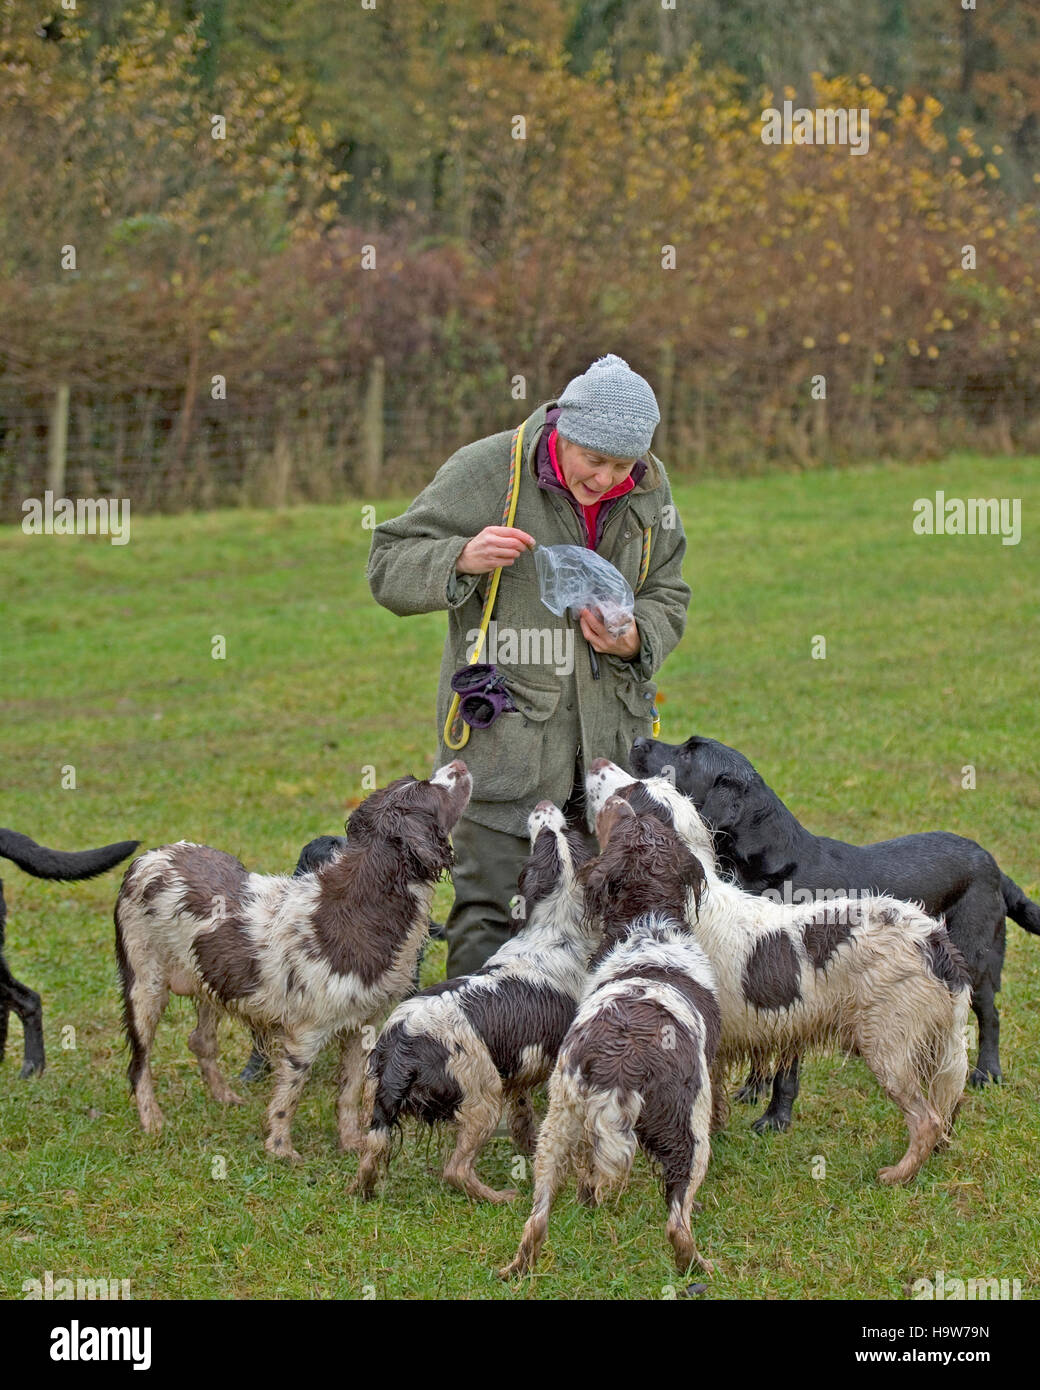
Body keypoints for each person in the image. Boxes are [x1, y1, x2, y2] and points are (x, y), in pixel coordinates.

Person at [367, 354, 691, 976]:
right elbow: (387, 567)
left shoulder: (650, 488)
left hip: (609, 749)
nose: (605, 478)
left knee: (605, 915)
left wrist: (635, 638)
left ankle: (587, 1056)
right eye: (593, 460)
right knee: (491, 917)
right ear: (562, 431)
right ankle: (461, 1060)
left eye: (622, 465)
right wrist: (460, 557)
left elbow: (669, 589)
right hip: (506, 747)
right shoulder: (489, 470)